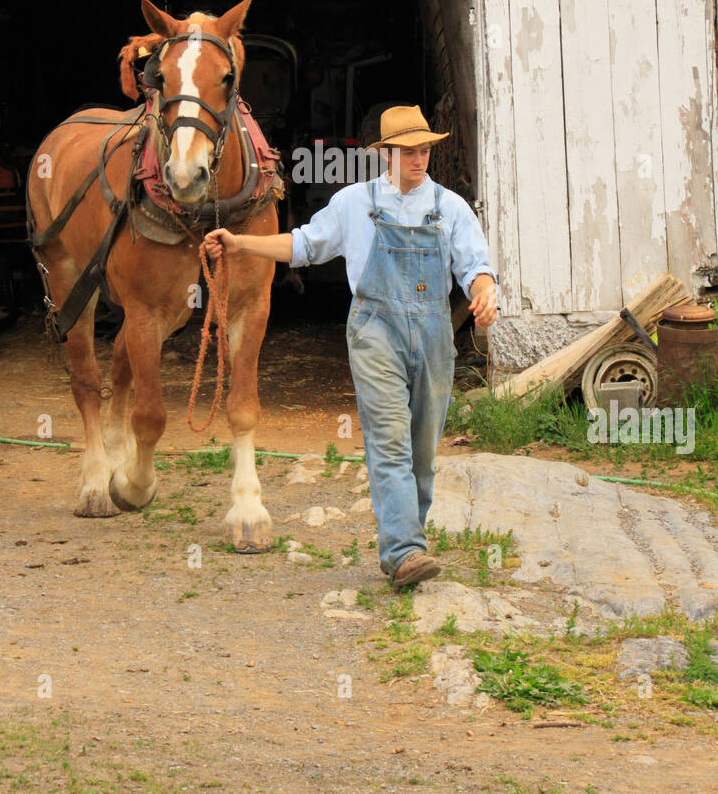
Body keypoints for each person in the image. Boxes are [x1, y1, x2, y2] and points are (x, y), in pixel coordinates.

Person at [204, 105, 498, 590]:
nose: (418, 159)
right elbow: (303, 245)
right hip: (375, 331)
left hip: (432, 334)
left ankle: (408, 539)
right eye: (407, 151)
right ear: (386, 153)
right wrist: (240, 244)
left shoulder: (451, 208)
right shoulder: (353, 203)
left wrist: (484, 292)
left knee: (422, 452)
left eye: (423, 149)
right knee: (388, 440)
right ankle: (404, 550)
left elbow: (476, 266)